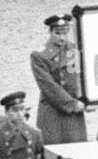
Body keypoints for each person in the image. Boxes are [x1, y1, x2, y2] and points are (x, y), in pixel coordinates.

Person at [30, 14, 87, 145]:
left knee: (78, 152)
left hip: (74, 112)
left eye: (65, 33)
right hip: (53, 112)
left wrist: (87, 101)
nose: (62, 37)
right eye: (57, 33)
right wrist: (72, 104)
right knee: (54, 154)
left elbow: (82, 78)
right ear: (50, 31)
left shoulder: (75, 50)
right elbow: (48, 85)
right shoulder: (39, 55)